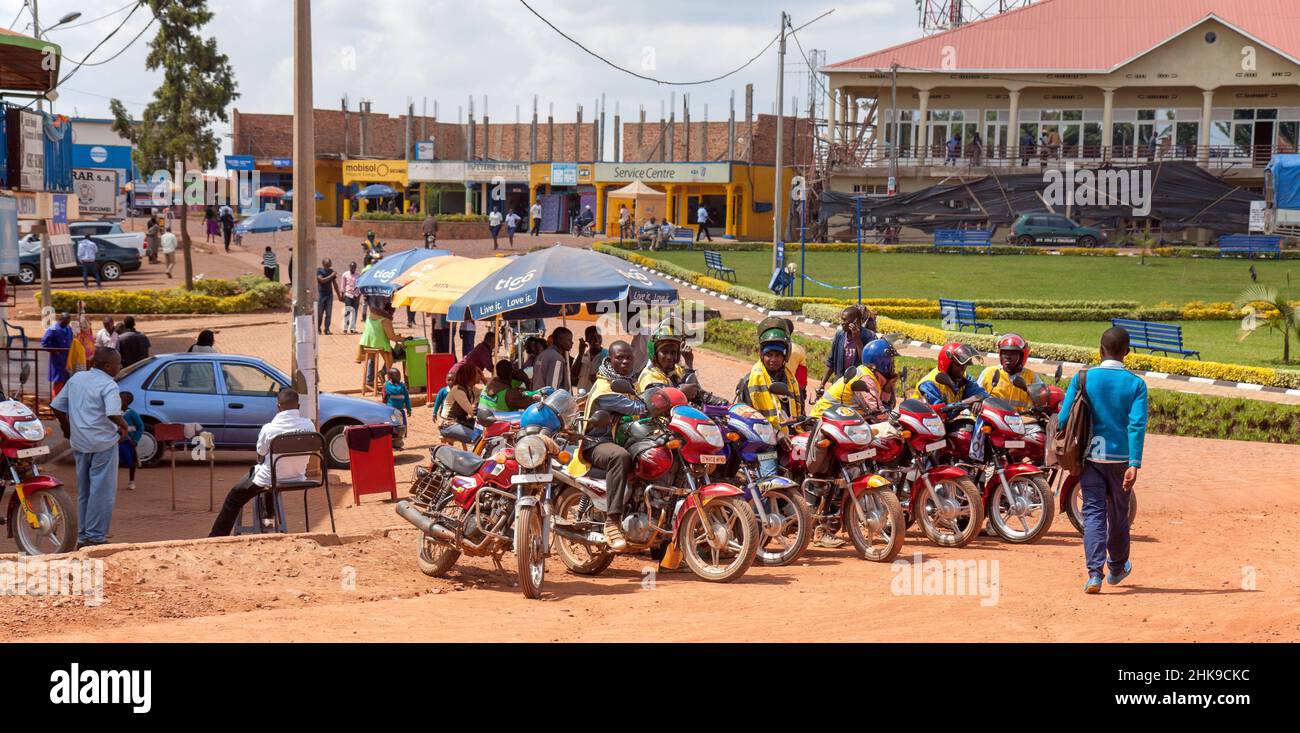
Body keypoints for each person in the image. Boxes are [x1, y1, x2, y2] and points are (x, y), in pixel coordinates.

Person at [1057, 328, 1147, 593]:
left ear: (1100, 350)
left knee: (1094, 513)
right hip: (1121, 460)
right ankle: (1117, 567)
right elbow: (1137, 424)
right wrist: (1134, 462)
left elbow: (1063, 419)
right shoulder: (1136, 384)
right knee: (1119, 515)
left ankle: (1094, 574)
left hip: (1090, 457)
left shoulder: (1084, 378)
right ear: (1127, 352)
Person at [208, 388, 317, 536]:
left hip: (271, 478)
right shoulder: (309, 426)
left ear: (278, 407)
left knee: (235, 497)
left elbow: (260, 454)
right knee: (269, 478)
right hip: (297, 477)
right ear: (298, 406)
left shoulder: (269, 429)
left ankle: (216, 536)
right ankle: (268, 519)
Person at [573, 341, 648, 552]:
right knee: (620, 457)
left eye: (628, 358)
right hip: (596, 444)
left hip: (616, 439)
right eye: (619, 358)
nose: (625, 361)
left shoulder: (624, 381)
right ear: (610, 359)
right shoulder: (607, 388)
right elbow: (639, 407)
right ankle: (612, 521)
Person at [50, 348, 128, 548]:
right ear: (108, 366)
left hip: (80, 443)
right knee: (101, 491)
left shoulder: (77, 379)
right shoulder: (109, 385)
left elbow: (57, 406)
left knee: (84, 491)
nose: (120, 367)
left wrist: (67, 429)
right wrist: (124, 425)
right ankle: (94, 536)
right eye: (118, 364)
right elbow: (112, 412)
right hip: (103, 443)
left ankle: (83, 535)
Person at [737, 327, 803, 478]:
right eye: (769, 354)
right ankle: (767, 499)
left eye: (778, 355)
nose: (773, 359)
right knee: (770, 480)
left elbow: (800, 411)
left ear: (785, 357)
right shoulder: (749, 381)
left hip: (790, 437)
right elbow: (745, 417)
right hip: (762, 443)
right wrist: (775, 433)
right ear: (761, 354)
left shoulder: (791, 380)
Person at [812, 338, 900, 419]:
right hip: (823, 419)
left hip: (840, 418)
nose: (893, 365)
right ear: (881, 362)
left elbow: (882, 405)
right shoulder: (866, 379)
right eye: (891, 361)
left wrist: (888, 387)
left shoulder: (871, 375)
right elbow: (878, 413)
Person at [977, 333, 1042, 412]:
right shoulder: (989, 373)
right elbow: (975, 394)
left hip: (1023, 420)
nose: (1008, 357)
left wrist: (1027, 388)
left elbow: (1042, 400)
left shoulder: (1031, 376)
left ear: (1021, 357)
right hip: (995, 419)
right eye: (1005, 353)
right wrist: (978, 402)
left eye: (1012, 353)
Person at [913, 342, 989, 408]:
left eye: (965, 365)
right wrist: (966, 402)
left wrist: (978, 401)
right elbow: (939, 412)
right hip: (927, 421)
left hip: (948, 422)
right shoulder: (928, 384)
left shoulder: (963, 377)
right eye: (958, 365)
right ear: (947, 365)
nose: (962, 369)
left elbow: (983, 395)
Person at [636, 319, 696, 392]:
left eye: (673, 352)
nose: (669, 357)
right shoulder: (649, 377)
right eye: (664, 352)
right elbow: (664, 397)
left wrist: (688, 363)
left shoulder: (677, 370)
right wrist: (688, 363)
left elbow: (696, 392)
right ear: (655, 354)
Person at [819, 305, 865, 397]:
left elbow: (865, 362)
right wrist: (822, 384)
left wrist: (857, 340)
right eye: (842, 320)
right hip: (839, 385)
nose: (842, 323)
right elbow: (830, 362)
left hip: (857, 390)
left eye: (845, 320)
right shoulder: (839, 336)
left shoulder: (867, 337)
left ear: (855, 321)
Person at [438, 363, 482, 445]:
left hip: (460, 421)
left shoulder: (469, 388)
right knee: (477, 437)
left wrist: (484, 379)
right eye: (477, 373)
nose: (479, 375)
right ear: (470, 375)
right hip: (448, 425)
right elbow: (472, 412)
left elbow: (486, 393)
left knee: (486, 431)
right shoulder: (458, 390)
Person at [40, 313, 75, 398]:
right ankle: (56, 405)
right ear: (61, 320)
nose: (67, 323)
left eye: (68, 322)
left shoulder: (69, 329)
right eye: (65, 321)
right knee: (58, 383)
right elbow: (44, 343)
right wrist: (55, 351)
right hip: (57, 361)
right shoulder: (53, 329)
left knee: (67, 383)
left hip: (67, 360)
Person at [531, 327, 573, 392]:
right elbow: (553, 388)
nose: (572, 342)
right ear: (559, 340)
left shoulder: (542, 355)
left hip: (537, 397)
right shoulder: (557, 359)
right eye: (569, 340)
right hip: (548, 400)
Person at [119, 391, 144, 491]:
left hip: (128, 442)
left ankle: (131, 481)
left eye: (121, 399)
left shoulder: (132, 414)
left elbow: (140, 426)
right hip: (116, 442)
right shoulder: (114, 412)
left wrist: (135, 440)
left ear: (127, 402)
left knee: (132, 462)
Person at [572, 325, 607, 391]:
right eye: (593, 337)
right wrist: (580, 353)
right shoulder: (581, 355)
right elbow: (573, 376)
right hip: (582, 396)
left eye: (599, 336)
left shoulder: (607, 356)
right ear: (587, 339)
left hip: (599, 396)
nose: (596, 340)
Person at [316, 258, 341, 335]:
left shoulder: (331, 271)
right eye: (327, 262)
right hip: (321, 294)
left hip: (329, 294)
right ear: (323, 263)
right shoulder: (319, 271)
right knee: (320, 313)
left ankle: (327, 329)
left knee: (328, 313)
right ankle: (318, 329)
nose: (329, 263)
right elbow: (321, 280)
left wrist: (339, 295)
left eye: (329, 262)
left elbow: (335, 284)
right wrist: (332, 275)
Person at [340, 262, 361, 334]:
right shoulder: (345, 274)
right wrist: (342, 295)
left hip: (356, 296)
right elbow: (343, 285)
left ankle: (352, 328)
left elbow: (359, 286)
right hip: (348, 295)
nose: (353, 269)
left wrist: (359, 296)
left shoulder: (358, 275)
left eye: (354, 267)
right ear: (349, 267)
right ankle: (345, 328)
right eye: (352, 267)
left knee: (355, 312)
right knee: (347, 311)